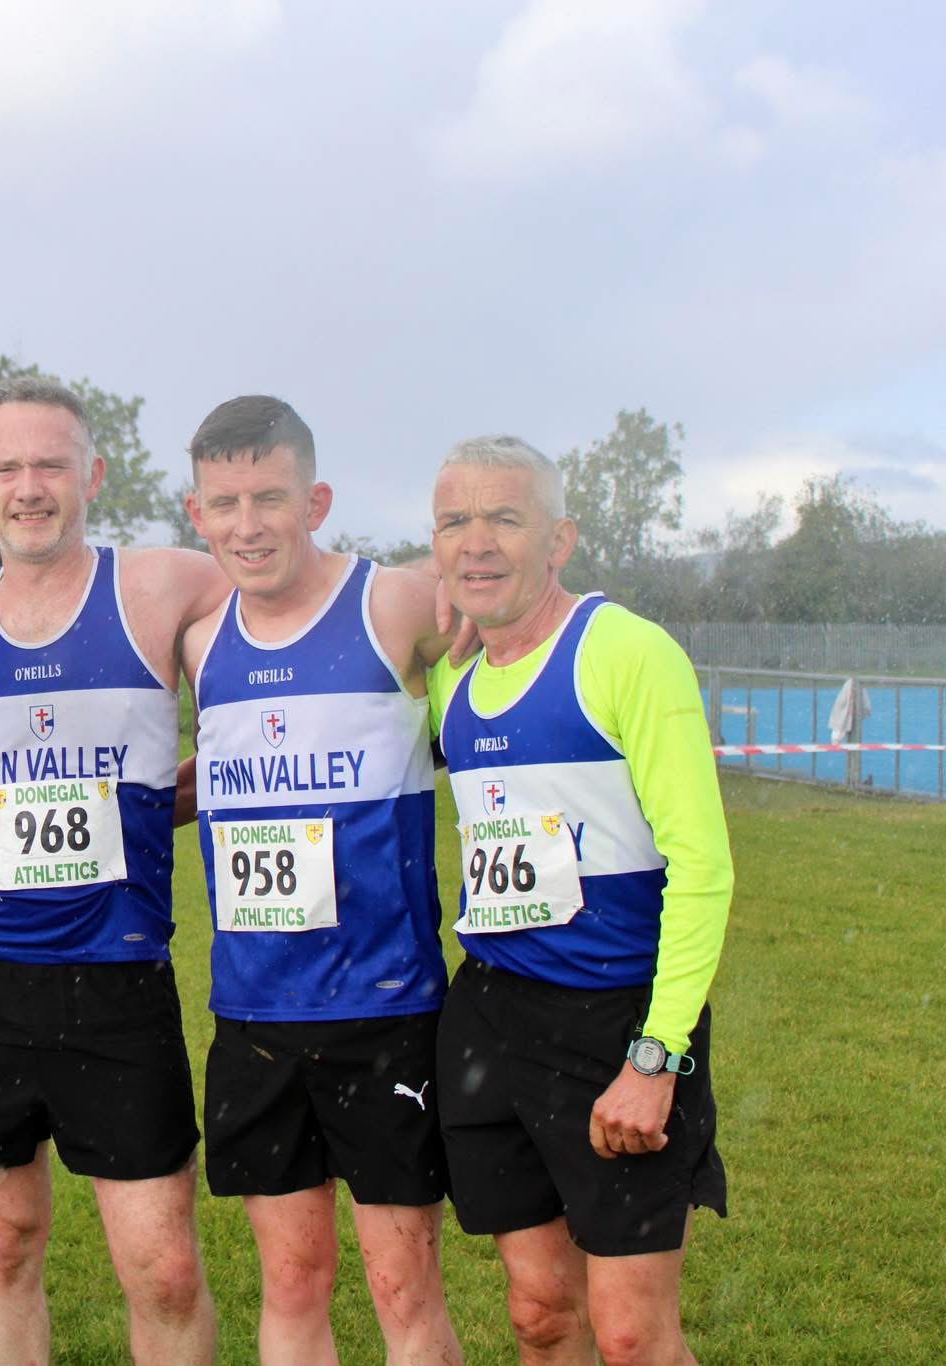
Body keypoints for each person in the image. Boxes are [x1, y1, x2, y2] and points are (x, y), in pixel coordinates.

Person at [0, 377, 227, 1364]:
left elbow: (293, 628)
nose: (29, 486)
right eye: (7, 467)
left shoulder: (164, 586)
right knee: (2, 1241)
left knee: (164, 1267)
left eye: (51, 464)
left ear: (94, 474)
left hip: (117, 974)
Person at [428, 435, 730, 1365]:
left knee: (633, 1335)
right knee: (540, 1314)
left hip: (616, 1022)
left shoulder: (626, 651)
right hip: (490, 1017)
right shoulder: (450, 676)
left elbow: (703, 868)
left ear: (560, 540)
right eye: (454, 522)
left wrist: (657, 1055)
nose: (477, 541)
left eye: (505, 519)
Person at [181, 395, 464, 1364]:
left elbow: (503, 632)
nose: (248, 525)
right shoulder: (199, 639)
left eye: (270, 498)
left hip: (383, 1009)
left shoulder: (392, 605)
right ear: (197, 513)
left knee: (402, 1286)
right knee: (292, 1279)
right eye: (225, 503)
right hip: (254, 1015)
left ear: (316, 501)